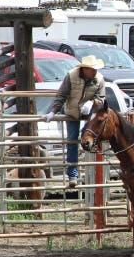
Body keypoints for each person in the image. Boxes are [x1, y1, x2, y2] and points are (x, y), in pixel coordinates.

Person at [45, 55, 106, 188]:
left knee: (87, 136)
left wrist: (92, 102)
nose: (95, 71)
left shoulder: (99, 79)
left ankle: (88, 169)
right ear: (84, 69)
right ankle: (73, 174)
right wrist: (53, 111)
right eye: (92, 69)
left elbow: (101, 98)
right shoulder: (71, 76)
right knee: (72, 140)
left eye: (95, 69)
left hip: (90, 113)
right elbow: (62, 95)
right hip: (72, 113)